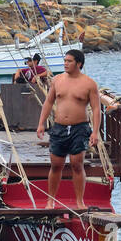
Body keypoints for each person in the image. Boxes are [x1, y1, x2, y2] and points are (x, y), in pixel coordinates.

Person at [36, 48, 102, 209]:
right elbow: (49, 103)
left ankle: (79, 201)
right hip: (59, 127)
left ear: (78, 63)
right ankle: (50, 200)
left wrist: (95, 132)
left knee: (76, 164)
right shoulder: (57, 80)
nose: (65, 63)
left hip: (79, 128)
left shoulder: (89, 84)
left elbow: (95, 109)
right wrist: (41, 123)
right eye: (64, 61)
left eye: (69, 61)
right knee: (56, 165)